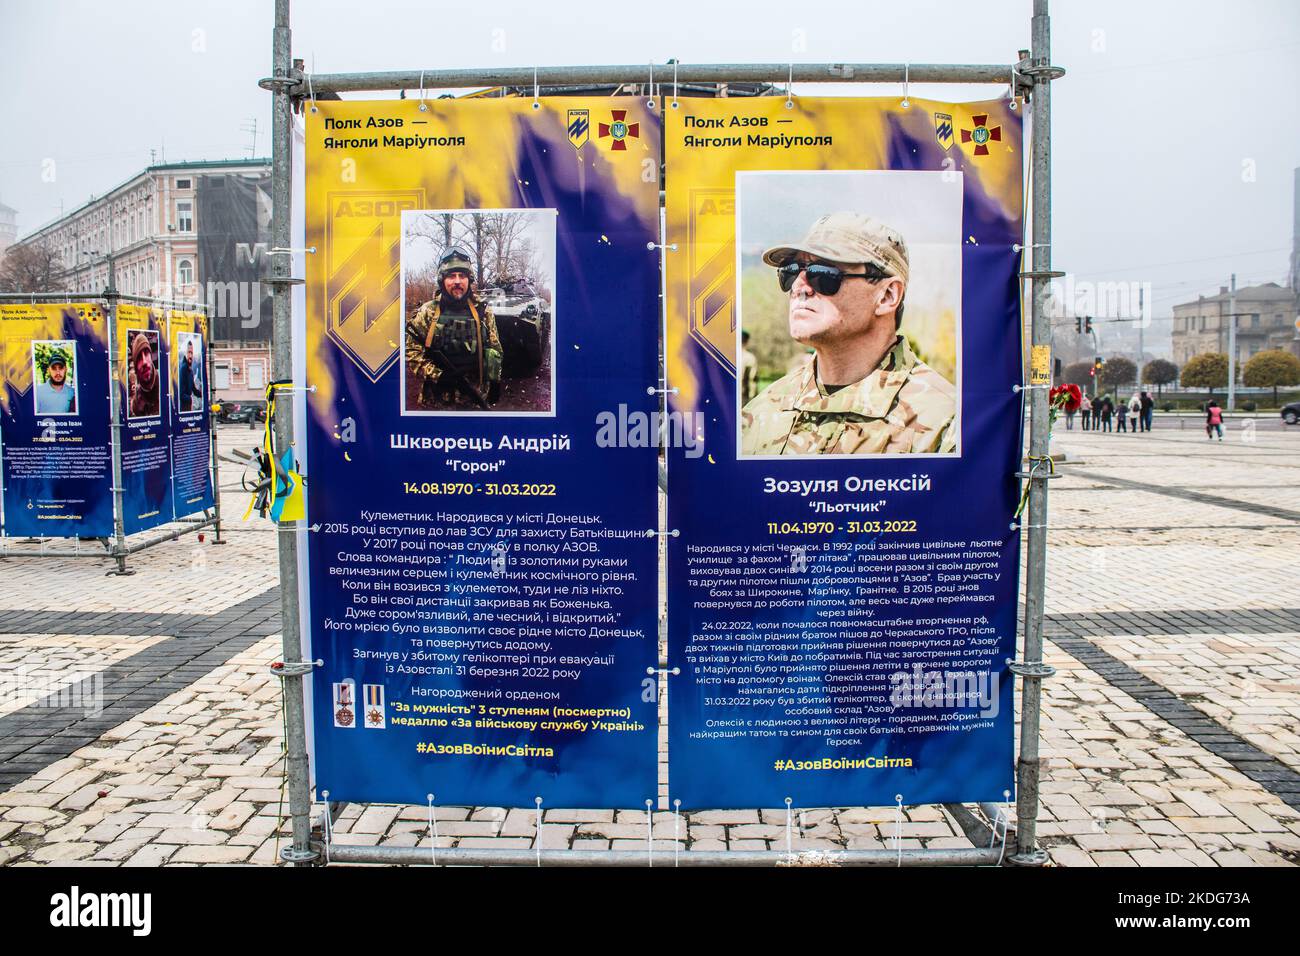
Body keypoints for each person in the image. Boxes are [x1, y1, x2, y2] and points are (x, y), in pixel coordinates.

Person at [741, 212, 956, 455]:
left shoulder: (945, 423)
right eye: (791, 271)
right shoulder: (759, 413)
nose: (800, 286)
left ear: (887, 296)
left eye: (822, 273)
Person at [405, 248, 503, 409]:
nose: (457, 281)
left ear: (469, 280)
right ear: (442, 280)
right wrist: (438, 375)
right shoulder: (428, 311)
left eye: (462, 276)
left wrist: (495, 381)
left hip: (475, 397)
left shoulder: (483, 311)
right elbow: (411, 351)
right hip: (436, 401)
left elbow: (495, 350)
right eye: (451, 276)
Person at [129, 332, 160, 418]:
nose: (144, 362)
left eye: (146, 353)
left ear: (151, 355)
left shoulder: (166, 386)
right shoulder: (137, 404)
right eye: (139, 358)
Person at [34, 350, 75, 414]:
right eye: (54, 368)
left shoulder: (72, 393)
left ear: (65, 369)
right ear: (48, 370)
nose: (58, 372)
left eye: (61, 368)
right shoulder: (37, 392)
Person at [178, 339, 203, 412]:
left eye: (192, 353)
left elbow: (193, 389)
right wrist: (190, 398)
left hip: (188, 406)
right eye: (189, 352)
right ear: (185, 353)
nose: (190, 356)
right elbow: (181, 394)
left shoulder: (190, 370)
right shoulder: (183, 369)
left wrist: (202, 394)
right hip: (183, 407)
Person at [739, 329, 759, 408]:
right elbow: (752, 380)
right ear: (746, 341)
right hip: (742, 399)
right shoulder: (749, 358)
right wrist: (753, 400)